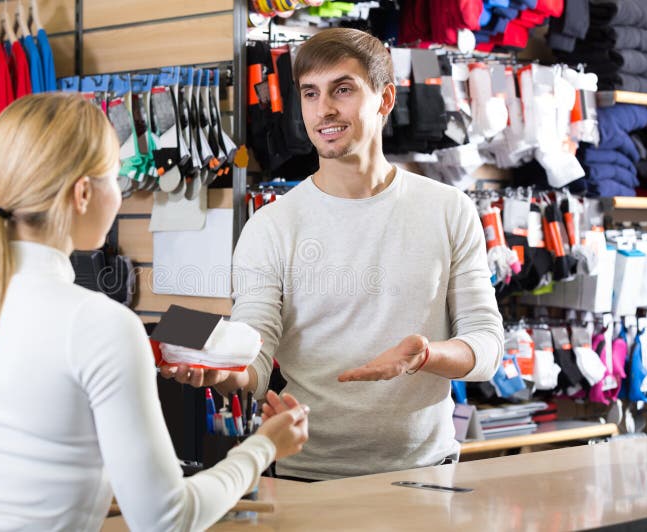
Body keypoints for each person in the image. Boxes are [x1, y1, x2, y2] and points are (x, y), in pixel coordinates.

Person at [0, 93, 310, 531]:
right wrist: (262, 447)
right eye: (115, 177)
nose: (121, 192)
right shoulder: (101, 325)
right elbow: (166, 519)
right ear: (83, 192)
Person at [161, 28, 504, 481]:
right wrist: (219, 371)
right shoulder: (271, 226)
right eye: (310, 93)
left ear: (384, 100)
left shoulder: (449, 210)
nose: (323, 110)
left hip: (425, 472)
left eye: (342, 90)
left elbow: (487, 345)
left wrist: (425, 355)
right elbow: (256, 362)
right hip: (308, 475)